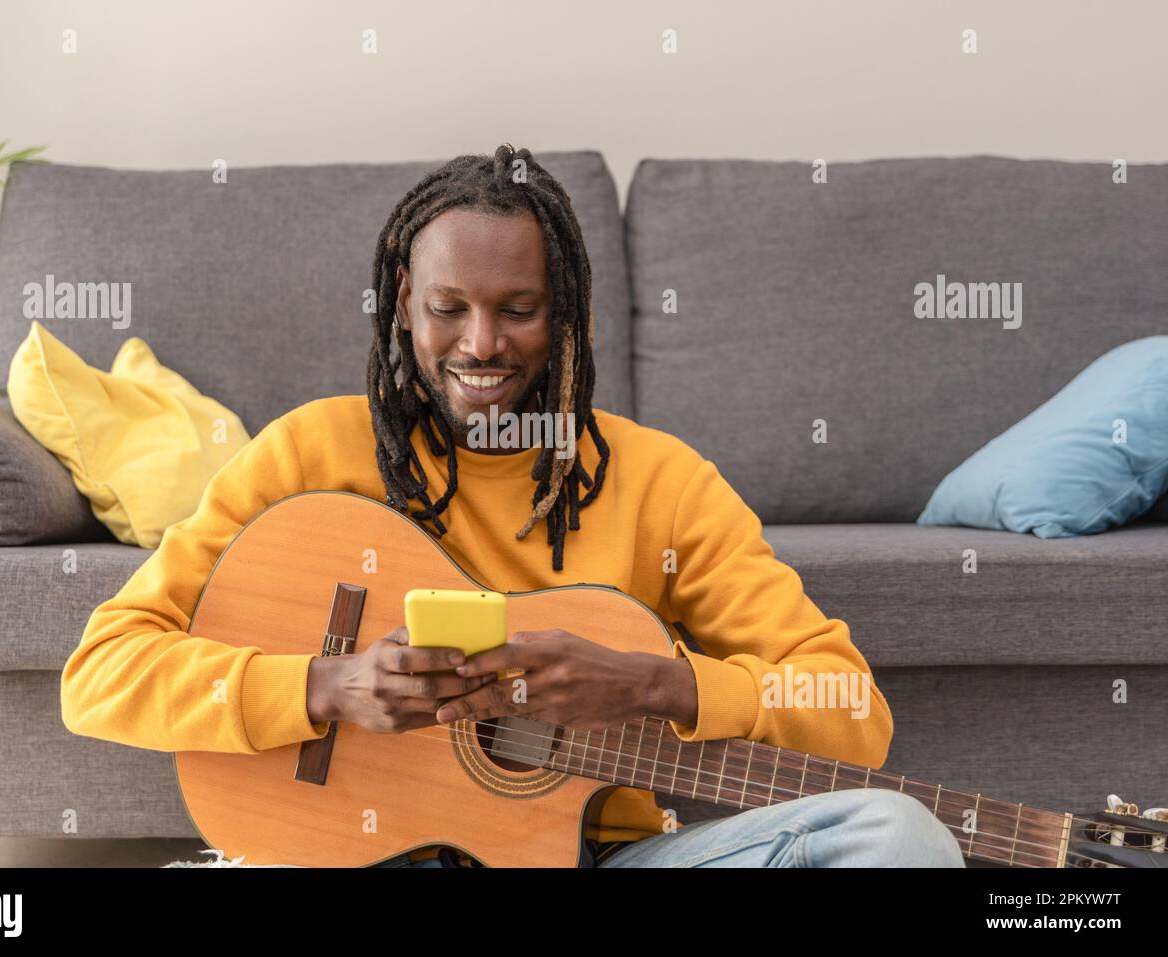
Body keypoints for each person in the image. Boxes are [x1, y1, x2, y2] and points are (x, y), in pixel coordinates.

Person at [62, 144, 965, 868]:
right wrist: (324, 686)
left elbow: (853, 708)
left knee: (901, 840)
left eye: (520, 309)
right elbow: (100, 671)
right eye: (449, 308)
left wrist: (657, 681)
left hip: (588, 858)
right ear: (404, 307)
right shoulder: (307, 452)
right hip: (344, 856)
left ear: (566, 310)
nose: (481, 344)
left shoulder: (662, 481)